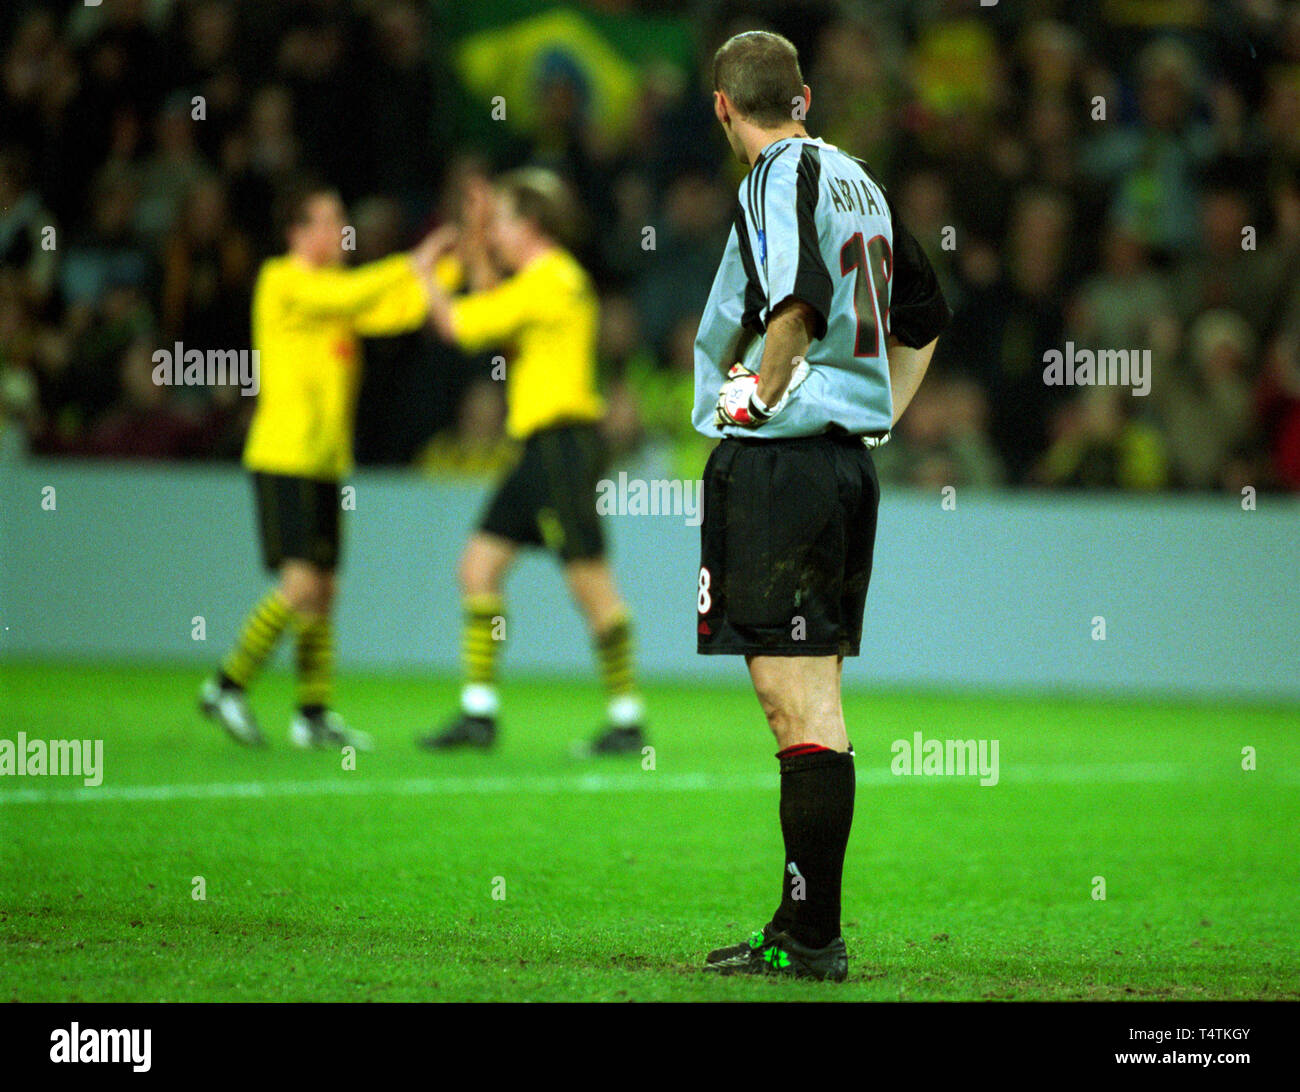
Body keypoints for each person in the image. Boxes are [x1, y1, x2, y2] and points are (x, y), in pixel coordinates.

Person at [692, 31, 951, 980]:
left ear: (723, 106)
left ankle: (809, 937)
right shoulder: (861, 180)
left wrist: (760, 395)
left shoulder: (775, 177)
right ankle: (808, 930)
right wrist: (875, 415)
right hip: (839, 470)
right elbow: (924, 316)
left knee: (796, 703)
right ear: (800, 95)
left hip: (788, 473)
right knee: (806, 700)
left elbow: (792, 304)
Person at [415, 168, 647, 756]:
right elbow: (499, 318)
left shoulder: (552, 279)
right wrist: (475, 241)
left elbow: (463, 325)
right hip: (538, 447)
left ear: (533, 226)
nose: (497, 233)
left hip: (563, 446)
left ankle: (626, 720)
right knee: (478, 569)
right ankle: (478, 713)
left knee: (591, 584)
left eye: (504, 222)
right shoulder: (546, 282)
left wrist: (426, 274)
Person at [200, 181, 438, 749]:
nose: (342, 232)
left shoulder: (339, 290)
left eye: (342, 219)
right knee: (301, 584)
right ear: (297, 233)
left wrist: (446, 269)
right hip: (285, 456)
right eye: (329, 221)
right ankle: (227, 686)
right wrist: (412, 261)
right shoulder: (282, 280)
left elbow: (398, 310)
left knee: (324, 590)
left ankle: (312, 713)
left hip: (326, 464)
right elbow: (355, 298)